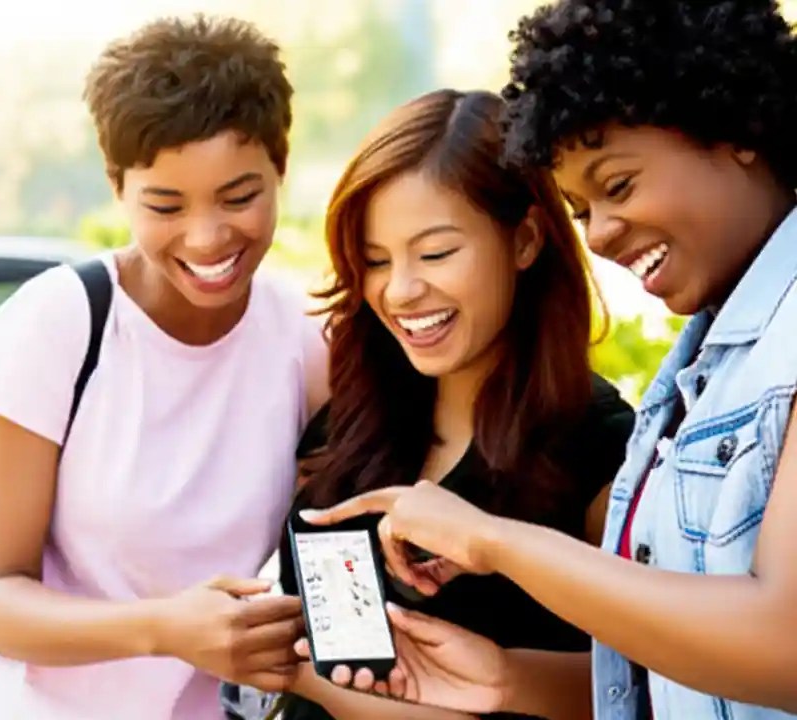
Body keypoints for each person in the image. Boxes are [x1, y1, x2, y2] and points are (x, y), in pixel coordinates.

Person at [300, 2, 797, 719]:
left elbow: (783, 647)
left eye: (617, 186)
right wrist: (501, 678)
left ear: (736, 131)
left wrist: (495, 543)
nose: (599, 234)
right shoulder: (702, 369)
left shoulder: (622, 418)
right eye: (582, 207)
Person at [0, 14, 327, 720]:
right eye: (165, 204)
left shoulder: (304, 343)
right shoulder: (59, 325)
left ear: (281, 168)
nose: (208, 237)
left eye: (240, 197)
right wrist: (164, 628)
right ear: (117, 186)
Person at [260, 88, 634, 720]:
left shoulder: (599, 445)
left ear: (525, 241)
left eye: (435, 253)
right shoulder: (350, 418)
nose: (401, 290)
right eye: (375, 260)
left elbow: (639, 687)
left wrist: (296, 673)